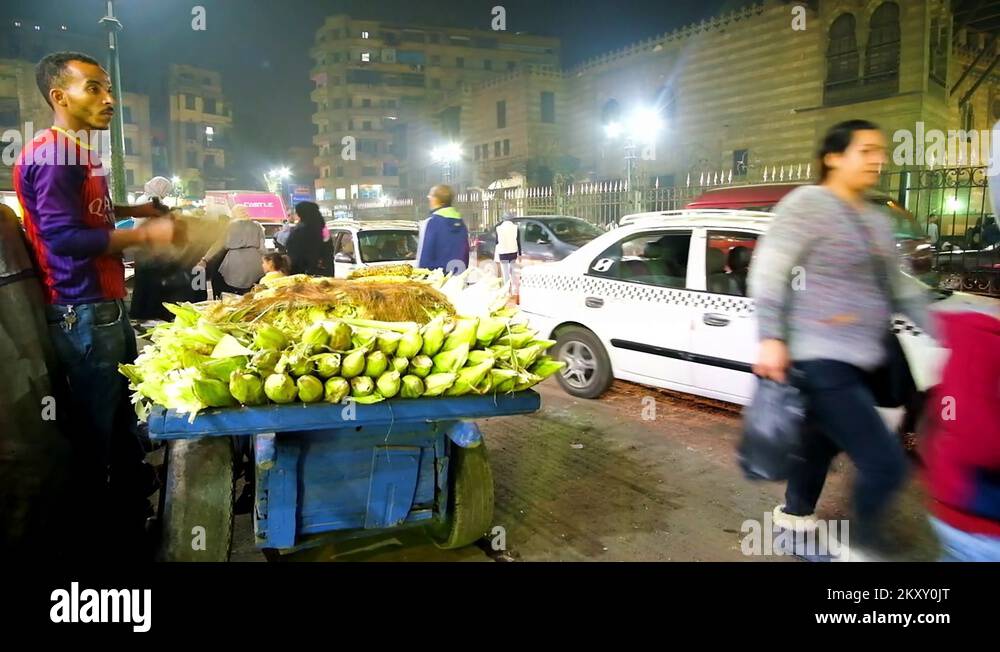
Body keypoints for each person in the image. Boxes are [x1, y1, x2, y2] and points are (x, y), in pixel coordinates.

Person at [14, 52, 176, 551]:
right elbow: (62, 237)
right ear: (59, 97)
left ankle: (132, 518)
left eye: (108, 88)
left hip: (104, 305)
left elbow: (91, 215)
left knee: (125, 422)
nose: (109, 99)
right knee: (96, 434)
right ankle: (100, 536)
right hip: (80, 310)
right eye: (93, 89)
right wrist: (145, 236)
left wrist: (135, 211)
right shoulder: (50, 155)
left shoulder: (78, 151)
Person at [749, 119, 931, 554]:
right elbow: (770, 270)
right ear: (833, 157)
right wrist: (771, 336)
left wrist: (948, 328)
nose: (879, 159)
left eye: (880, 151)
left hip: (872, 355)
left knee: (820, 442)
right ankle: (864, 547)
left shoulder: (873, 216)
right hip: (821, 355)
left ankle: (792, 524)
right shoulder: (807, 204)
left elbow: (899, 287)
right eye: (866, 150)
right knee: (885, 464)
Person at [922, 303, 1000, 561]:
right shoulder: (983, 341)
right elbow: (970, 433)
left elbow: (947, 411)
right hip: (978, 515)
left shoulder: (972, 337)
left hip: (965, 506)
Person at [129, 176, 178, 322]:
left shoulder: (143, 198)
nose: (166, 193)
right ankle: (150, 314)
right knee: (151, 283)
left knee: (143, 283)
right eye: (166, 190)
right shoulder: (152, 201)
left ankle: (140, 313)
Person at [199, 204, 265, 296]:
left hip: (235, 259)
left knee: (232, 290)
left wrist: (205, 259)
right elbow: (262, 247)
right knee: (253, 290)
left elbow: (219, 244)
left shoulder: (230, 226)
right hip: (254, 260)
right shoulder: (257, 226)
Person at [417, 184, 469, 272]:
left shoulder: (431, 223)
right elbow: (465, 253)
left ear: (436, 199)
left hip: (436, 279)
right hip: (459, 277)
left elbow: (424, 257)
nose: (429, 198)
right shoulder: (461, 223)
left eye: (431, 196)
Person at [285, 201, 334, 276]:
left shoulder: (300, 230)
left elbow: (294, 252)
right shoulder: (322, 229)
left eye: (297, 212)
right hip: (323, 272)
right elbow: (328, 251)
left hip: (303, 274)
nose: (296, 215)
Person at [494, 214, 521, 283]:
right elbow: (518, 241)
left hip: (503, 253)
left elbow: (497, 242)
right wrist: (520, 253)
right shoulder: (516, 227)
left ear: (503, 219)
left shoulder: (498, 228)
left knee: (505, 272)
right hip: (513, 252)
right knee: (512, 271)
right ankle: (513, 286)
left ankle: (507, 287)